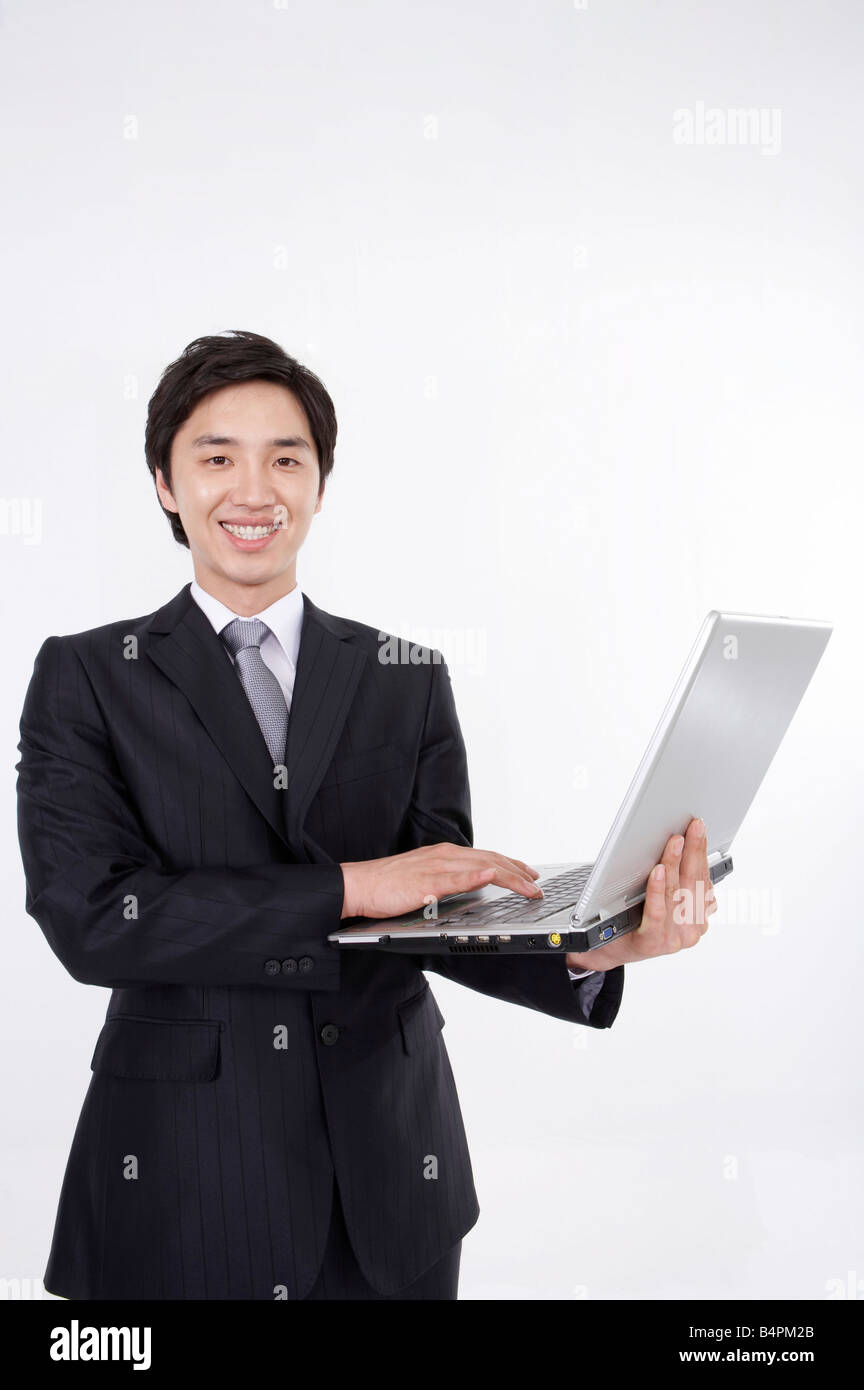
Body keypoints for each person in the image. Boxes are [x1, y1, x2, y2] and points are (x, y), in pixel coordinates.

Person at [15, 330, 717, 1301]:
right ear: (166, 483)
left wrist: (600, 943)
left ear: (319, 481)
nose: (253, 489)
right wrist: (349, 884)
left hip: (392, 1179)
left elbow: (432, 922)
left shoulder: (405, 676)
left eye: (286, 457)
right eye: (217, 456)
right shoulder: (88, 677)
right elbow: (92, 918)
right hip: (184, 1183)